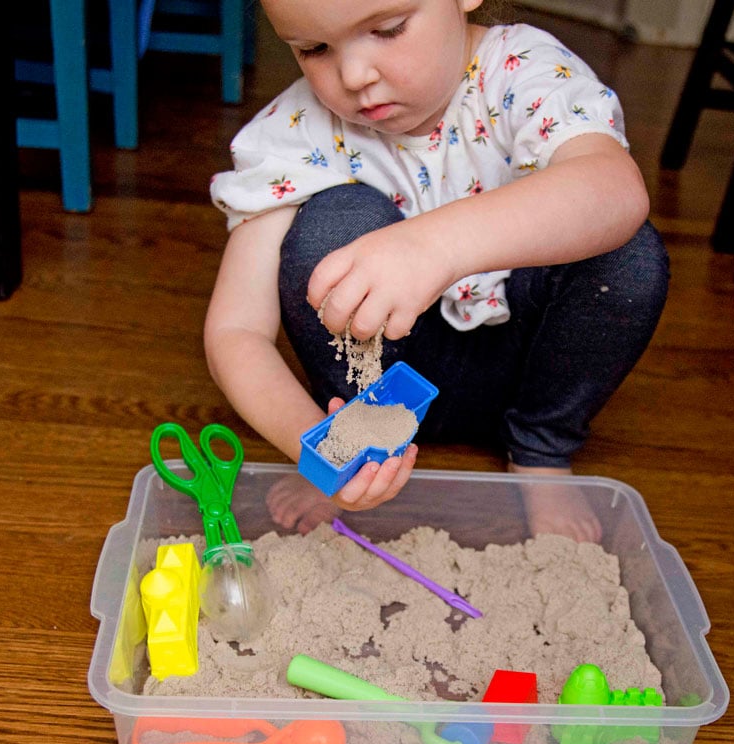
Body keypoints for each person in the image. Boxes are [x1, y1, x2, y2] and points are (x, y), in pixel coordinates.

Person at [205, 0, 669, 541]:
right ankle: (356, 442)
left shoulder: (525, 72)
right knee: (335, 222)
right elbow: (235, 332)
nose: (354, 76)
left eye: (387, 29)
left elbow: (616, 189)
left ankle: (540, 452)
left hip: (525, 365)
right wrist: (320, 448)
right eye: (314, 49)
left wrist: (435, 246)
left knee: (626, 251)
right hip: (376, 389)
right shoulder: (295, 133)